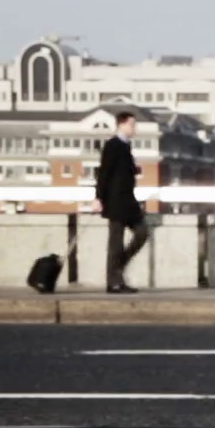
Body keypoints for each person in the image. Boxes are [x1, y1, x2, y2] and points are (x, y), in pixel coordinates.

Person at [94, 110, 148, 294]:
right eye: (132, 124)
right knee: (115, 243)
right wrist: (98, 198)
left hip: (128, 201)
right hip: (115, 201)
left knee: (142, 233)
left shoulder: (125, 146)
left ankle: (118, 268)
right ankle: (114, 282)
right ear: (121, 124)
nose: (135, 128)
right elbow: (104, 173)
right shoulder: (113, 145)